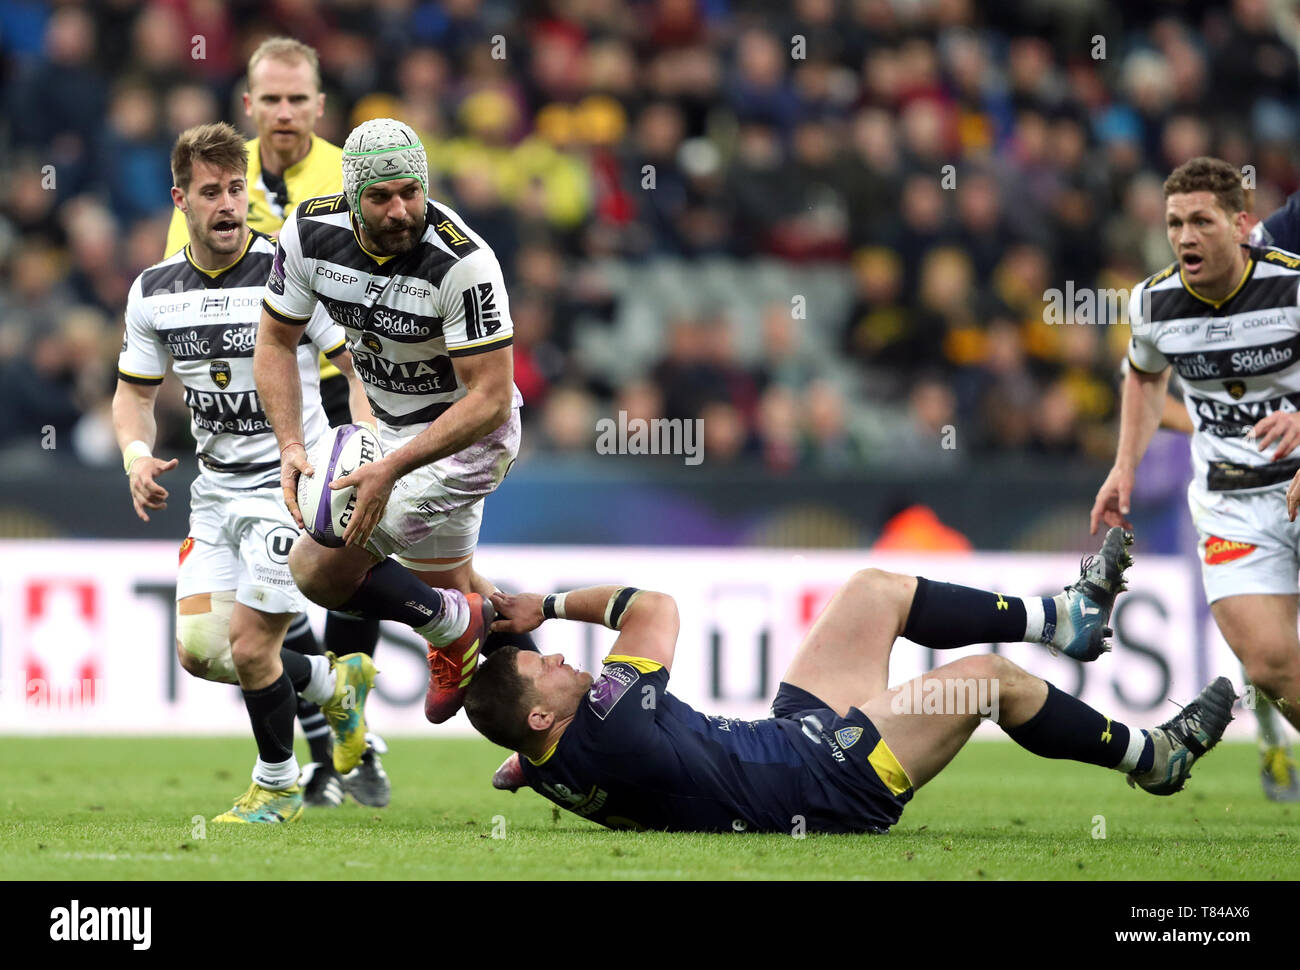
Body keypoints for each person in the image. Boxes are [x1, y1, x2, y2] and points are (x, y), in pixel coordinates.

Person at [468, 528, 1235, 833]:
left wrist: (525, 767)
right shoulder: (611, 725)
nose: (563, 655)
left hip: (783, 746)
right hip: (822, 785)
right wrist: (551, 603)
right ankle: (1154, 756)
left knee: (874, 590)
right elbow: (654, 607)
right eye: (547, 665)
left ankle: (1058, 616)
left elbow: (537, 761)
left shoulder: (550, 755)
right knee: (990, 681)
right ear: (542, 718)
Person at [113, 122, 375, 824]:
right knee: (202, 653)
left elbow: (354, 366)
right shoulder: (153, 292)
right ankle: (333, 684)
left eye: (236, 188)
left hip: (289, 489)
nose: (227, 204)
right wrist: (137, 456)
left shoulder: (287, 271)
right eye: (210, 192)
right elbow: (134, 395)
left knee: (254, 645)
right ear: (180, 201)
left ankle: (278, 785)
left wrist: (366, 440)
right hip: (215, 492)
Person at [162, 36, 387, 809]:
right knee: (256, 608)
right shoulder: (219, 182)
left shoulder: (353, 175)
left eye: (300, 99)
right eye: (272, 99)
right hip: (252, 404)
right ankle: (330, 730)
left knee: (347, 574)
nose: (285, 112)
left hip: (342, 390)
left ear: (320, 106)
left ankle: (323, 747)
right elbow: (181, 287)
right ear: (249, 104)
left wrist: (373, 411)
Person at [255, 117, 534, 727]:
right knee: (457, 583)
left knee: (319, 565)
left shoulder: (463, 262)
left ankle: (451, 629)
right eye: (380, 197)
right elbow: (275, 342)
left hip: (469, 439)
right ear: (353, 198)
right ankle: (559, 735)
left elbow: (488, 398)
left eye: (412, 191)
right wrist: (292, 445)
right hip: (391, 430)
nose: (401, 209)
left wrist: (391, 467)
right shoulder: (306, 234)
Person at [1093, 155, 1300, 801]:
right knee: (1268, 663)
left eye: (1202, 221)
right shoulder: (1153, 301)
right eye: (1175, 223)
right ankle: (1275, 739)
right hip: (1231, 502)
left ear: (1242, 225)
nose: (1185, 236)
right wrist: (1125, 462)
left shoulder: (1292, 286)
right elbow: (1147, 376)